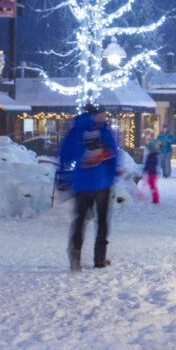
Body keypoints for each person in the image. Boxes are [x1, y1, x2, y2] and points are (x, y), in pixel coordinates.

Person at [60, 104, 120, 271]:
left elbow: (65, 154)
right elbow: (113, 154)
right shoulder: (104, 131)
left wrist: (68, 176)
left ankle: (75, 256)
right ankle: (99, 259)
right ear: (97, 115)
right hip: (102, 182)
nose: (105, 117)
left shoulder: (75, 130)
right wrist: (112, 172)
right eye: (103, 114)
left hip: (82, 183)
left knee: (79, 220)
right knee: (102, 221)